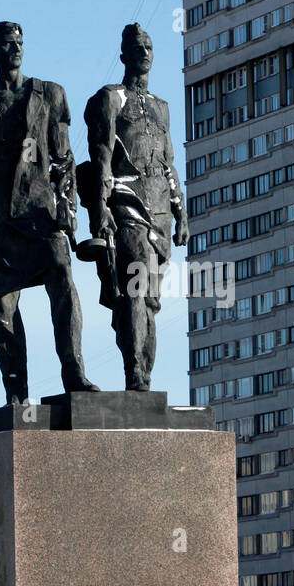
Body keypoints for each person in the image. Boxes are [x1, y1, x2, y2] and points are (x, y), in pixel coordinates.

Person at [0, 21, 99, 404]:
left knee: (63, 277)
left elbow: (65, 160)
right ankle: (16, 396)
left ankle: (74, 374)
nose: (15, 49)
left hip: (40, 210)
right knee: (4, 308)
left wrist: (67, 210)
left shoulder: (50, 94)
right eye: (7, 43)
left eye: (19, 42)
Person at [80, 24, 189, 390]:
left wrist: (180, 213)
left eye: (149, 46)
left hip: (159, 211)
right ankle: (135, 373)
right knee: (135, 289)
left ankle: (144, 374)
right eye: (136, 47)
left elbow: (169, 163)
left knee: (152, 302)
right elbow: (101, 157)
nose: (144, 52)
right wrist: (100, 210)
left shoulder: (162, 108)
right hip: (127, 203)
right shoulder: (110, 99)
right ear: (123, 54)